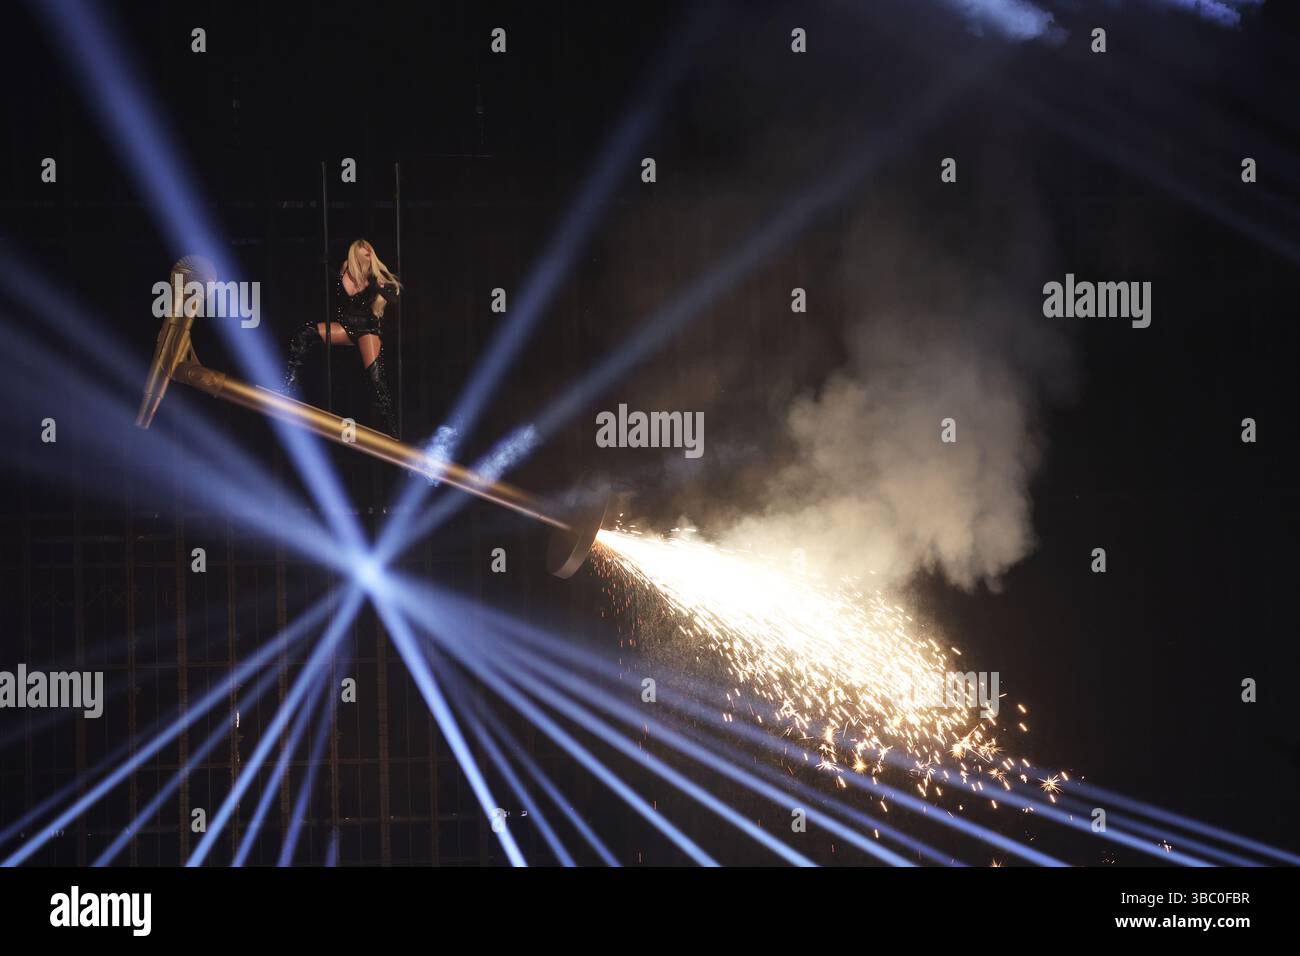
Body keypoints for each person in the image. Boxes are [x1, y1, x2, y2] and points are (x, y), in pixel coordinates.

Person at [283, 239, 402, 436]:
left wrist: (379, 285)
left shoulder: (375, 276)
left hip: (367, 329)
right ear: (354, 254)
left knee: (377, 378)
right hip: (345, 326)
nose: (368, 257)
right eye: (365, 253)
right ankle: (288, 385)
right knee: (305, 333)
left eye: (370, 253)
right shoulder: (345, 270)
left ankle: (391, 427)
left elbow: (394, 298)